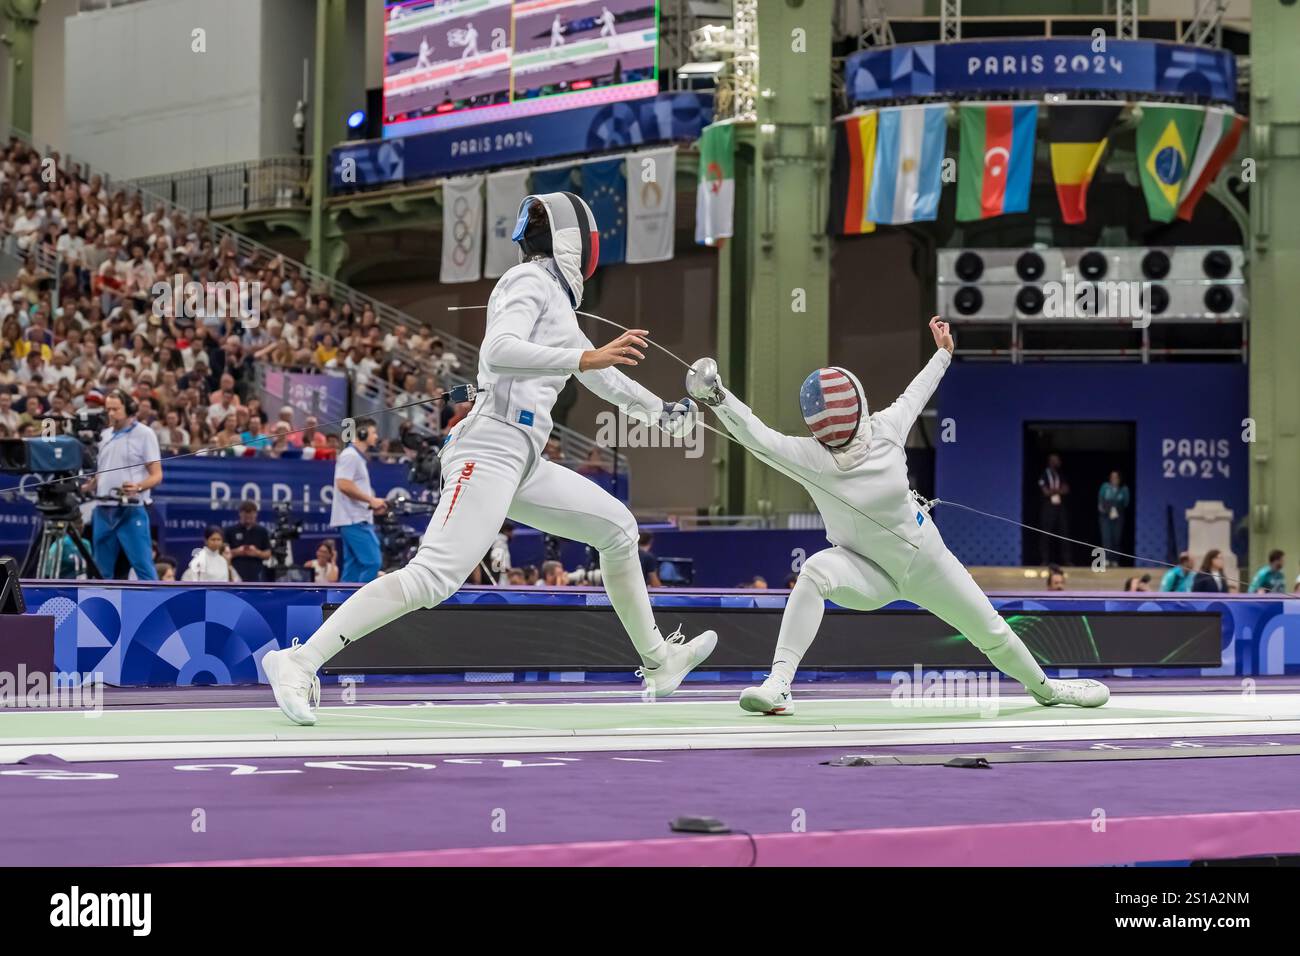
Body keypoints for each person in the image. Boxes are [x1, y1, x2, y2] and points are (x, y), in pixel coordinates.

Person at [263, 191, 715, 725]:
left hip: (523, 459)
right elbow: (499, 351)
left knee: (618, 529)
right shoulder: (527, 282)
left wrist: (661, 412)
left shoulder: (554, 303)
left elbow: (601, 375)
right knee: (435, 576)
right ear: (576, 243)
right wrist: (585, 354)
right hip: (489, 445)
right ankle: (298, 661)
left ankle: (659, 663)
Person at [686, 316, 1108, 715]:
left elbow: (917, 391)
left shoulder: (887, 427)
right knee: (814, 572)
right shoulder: (811, 457)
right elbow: (757, 437)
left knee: (991, 632)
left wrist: (943, 353)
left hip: (926, 562)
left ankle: (1047, 690)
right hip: (866, 569)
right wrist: (718, 397)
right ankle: (778, 685)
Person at [85, 390, 162, 580]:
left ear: (129, 409)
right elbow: (101, 474)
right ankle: (101, 609)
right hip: (103, 510)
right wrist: (87, 487)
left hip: (131, 509)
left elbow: (157, 475)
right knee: (101, 573)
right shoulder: (103, 436)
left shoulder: (145, 434)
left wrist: (138, 486)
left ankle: (157, 607)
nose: (110, 414)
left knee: (143, 568)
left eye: (115, 409)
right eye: (108, 409)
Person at [330, 417, 387, 583]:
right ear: (362, 433)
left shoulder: (355, 457)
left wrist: (372, 504)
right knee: (373, 562)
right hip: (354, 520)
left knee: (353, 568)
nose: (376, 436)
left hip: (354, 518)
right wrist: (371, 500)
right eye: (373, 432)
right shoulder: (350, 456)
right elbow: (343, 484)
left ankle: (340, 603)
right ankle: (362, 604)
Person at [225, 501, 272, 583]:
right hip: (235, 572)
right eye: (245, 515)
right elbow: (223, 554)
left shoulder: (262, 531)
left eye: (251, 515)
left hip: (256, 573)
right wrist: (237, 552)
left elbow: (268, 554)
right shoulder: (230, 531)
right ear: (240, 514)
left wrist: (257, 553)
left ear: (256, 514)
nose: (248, 517)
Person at [1037, 452, 1070, 565]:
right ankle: (1044, 560)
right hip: (1048, 507)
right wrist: (1057, 490)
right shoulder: (1044, 474)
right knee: (1046, 533)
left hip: (1059, 507)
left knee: (1064, 533)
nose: (1059, 462)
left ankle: (1066, 559)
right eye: (1056, 460)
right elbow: (1045, 492)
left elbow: (1066, 489)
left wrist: (1054, 490)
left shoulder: (1060, 475)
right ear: (1051, 461)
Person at [1097, 470, 1130, 563]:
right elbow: (1100, 501)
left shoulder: (1124, 489)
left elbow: (1126, 503)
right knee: (1106, 538)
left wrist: (1116, 510)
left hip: (1118, 516)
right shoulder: (1105, 487)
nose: (1114, 479)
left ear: (1119, 479)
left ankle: (1115, 560)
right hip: (1105, 516)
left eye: (1116, 477)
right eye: (1112, 477)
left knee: (1116, 538)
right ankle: (1107, 559)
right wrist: (1105, 510)